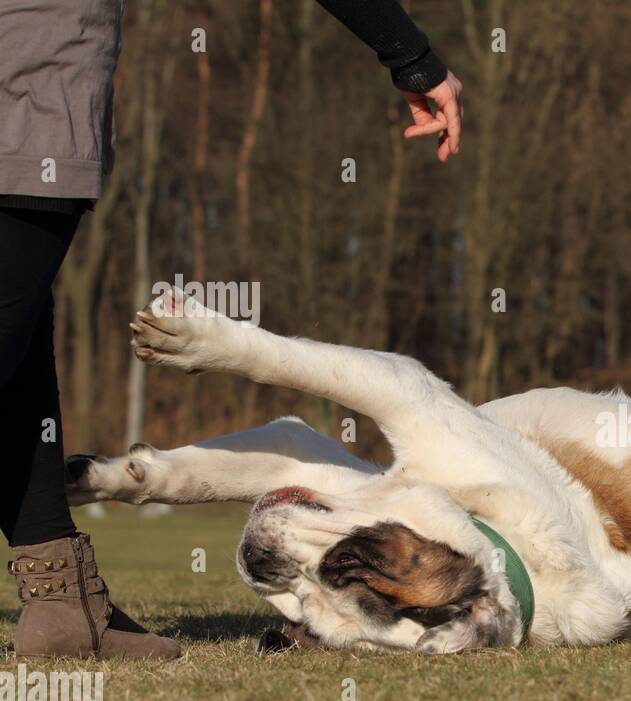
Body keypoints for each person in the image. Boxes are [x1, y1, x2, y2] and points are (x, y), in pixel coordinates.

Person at [0, 0, 463, 660]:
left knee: (19, 339)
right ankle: (63, 606)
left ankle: (62, 606)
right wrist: (410, 55)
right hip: (30, 74)